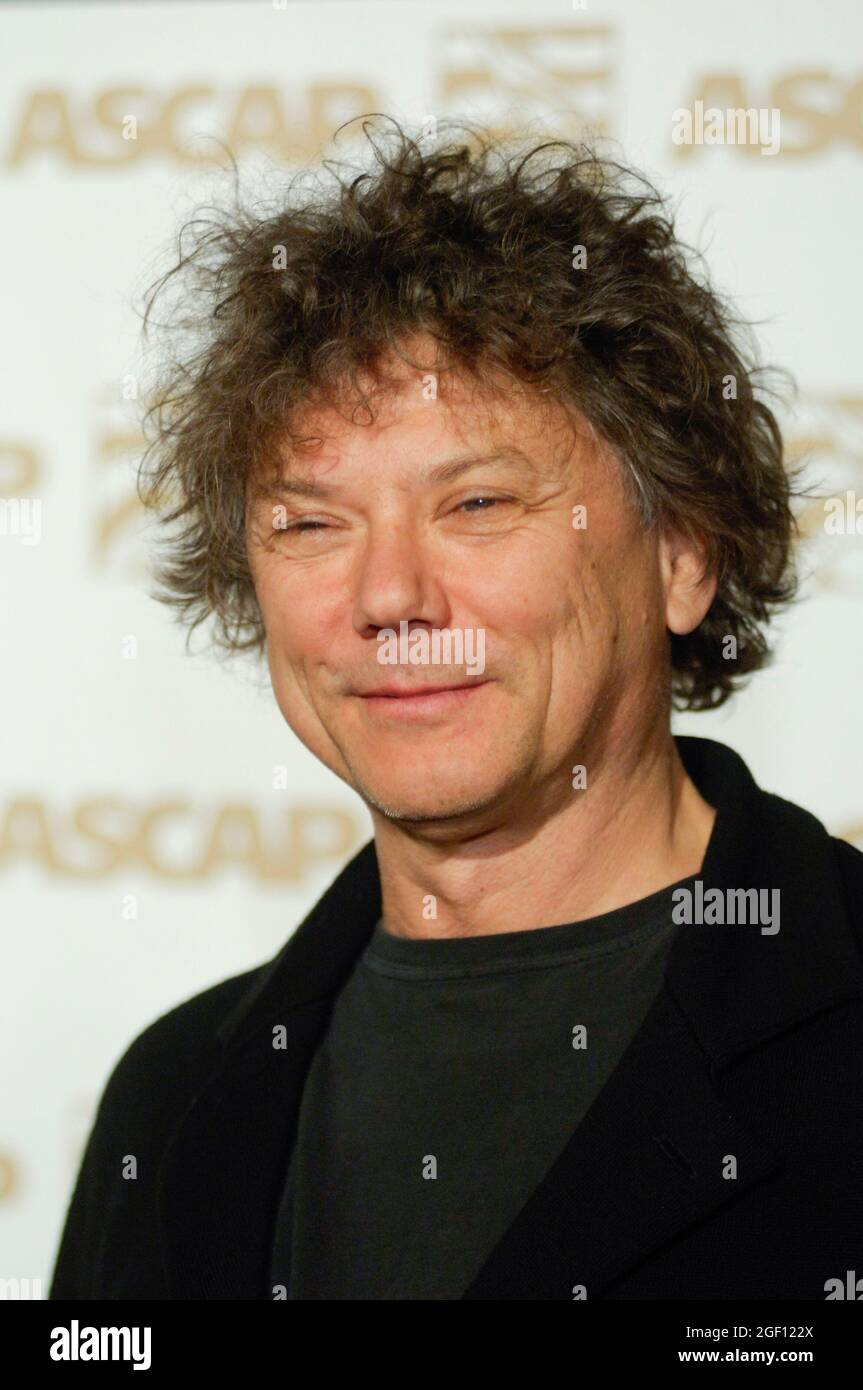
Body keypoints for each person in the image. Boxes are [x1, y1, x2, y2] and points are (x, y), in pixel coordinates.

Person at [49, 117, 863, 1301]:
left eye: (475, 503)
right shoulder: (173, 1099)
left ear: (682, 550)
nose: (388, 595)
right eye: (311, 522)